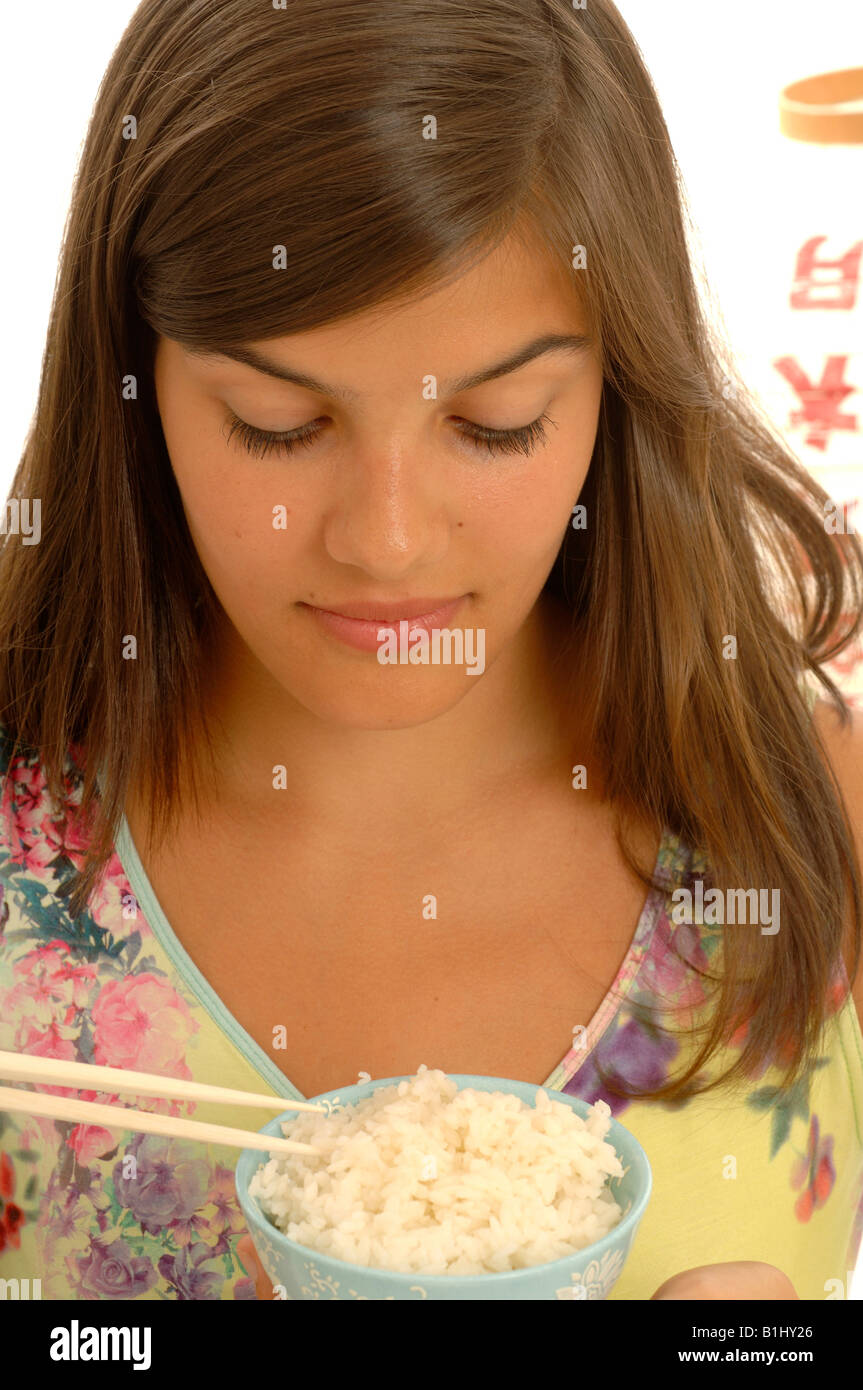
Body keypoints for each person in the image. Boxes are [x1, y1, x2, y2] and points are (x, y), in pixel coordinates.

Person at [1, 0, 861, 1302]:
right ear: (137, 377)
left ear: (617, 381)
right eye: (279, 423)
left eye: (499, 421)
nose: (388, 543)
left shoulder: (813, 808)